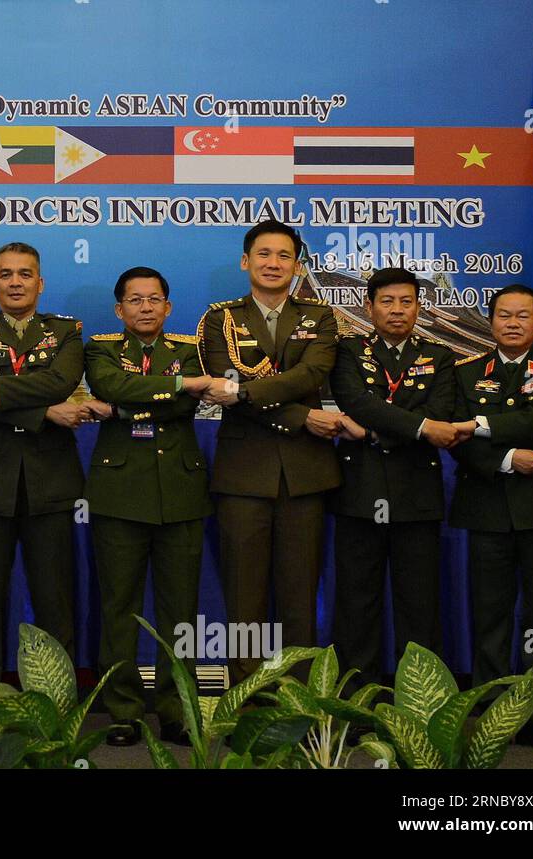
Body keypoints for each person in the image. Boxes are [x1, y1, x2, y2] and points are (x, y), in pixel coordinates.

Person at [0, 241, 85, 741]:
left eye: (25, 274)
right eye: (5, 274)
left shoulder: (67, 331)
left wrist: (6, 389)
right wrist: (42, 410)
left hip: (49, 482)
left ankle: (57, 710)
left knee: (54, 601)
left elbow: (61, 382)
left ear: (40, 282)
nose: (15, 282)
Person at [197, 220, 341, 681]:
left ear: (297, 266)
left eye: (284, 256)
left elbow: (311, 375)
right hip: (244, 473)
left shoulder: (320, 317)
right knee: (244, 595)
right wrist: (301, 417)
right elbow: (226, 382)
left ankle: (300, 695)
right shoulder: (219, 319)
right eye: (264, 254)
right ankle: (247, 696)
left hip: (306, 472)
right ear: (246, 261)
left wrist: (243, 395)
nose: (273, 263)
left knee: (299, 592)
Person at [449, 284, 533, 751]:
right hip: (487, 505)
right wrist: (506, 460)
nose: (512, 323)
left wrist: (482, 426)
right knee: (490, 612)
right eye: (503, 314)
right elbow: (455, 440)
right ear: (490, 321)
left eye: (522, 316)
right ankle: (488, 704)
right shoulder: (464, 373)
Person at [83, 266, 213, 747]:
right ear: (120, 309)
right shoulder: (99, 349)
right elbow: (111, 387)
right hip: (119, 493)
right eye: (134, 301)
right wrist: (180, 386)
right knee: (120, 608)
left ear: (168, 306)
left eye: (154, 299)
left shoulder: (187, 349)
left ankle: (175, 709)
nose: (145, 308)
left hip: (180, 492)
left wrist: (126, 406)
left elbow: (176, 410)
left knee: (180, 612)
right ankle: (123, 711)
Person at [329, 267, 461, 689]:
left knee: (418, 605)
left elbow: (437, 415)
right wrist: (418, 427)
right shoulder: (348, 351)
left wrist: (370, 431)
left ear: (419, 307)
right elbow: (354, 400)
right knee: (356, 603)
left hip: (416, 494)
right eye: (387, 301)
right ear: (369, 307)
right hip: (359, 491)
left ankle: (420, 701)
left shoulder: (440, 356)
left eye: (407, 302)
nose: (397, 310)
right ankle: (356, 697)